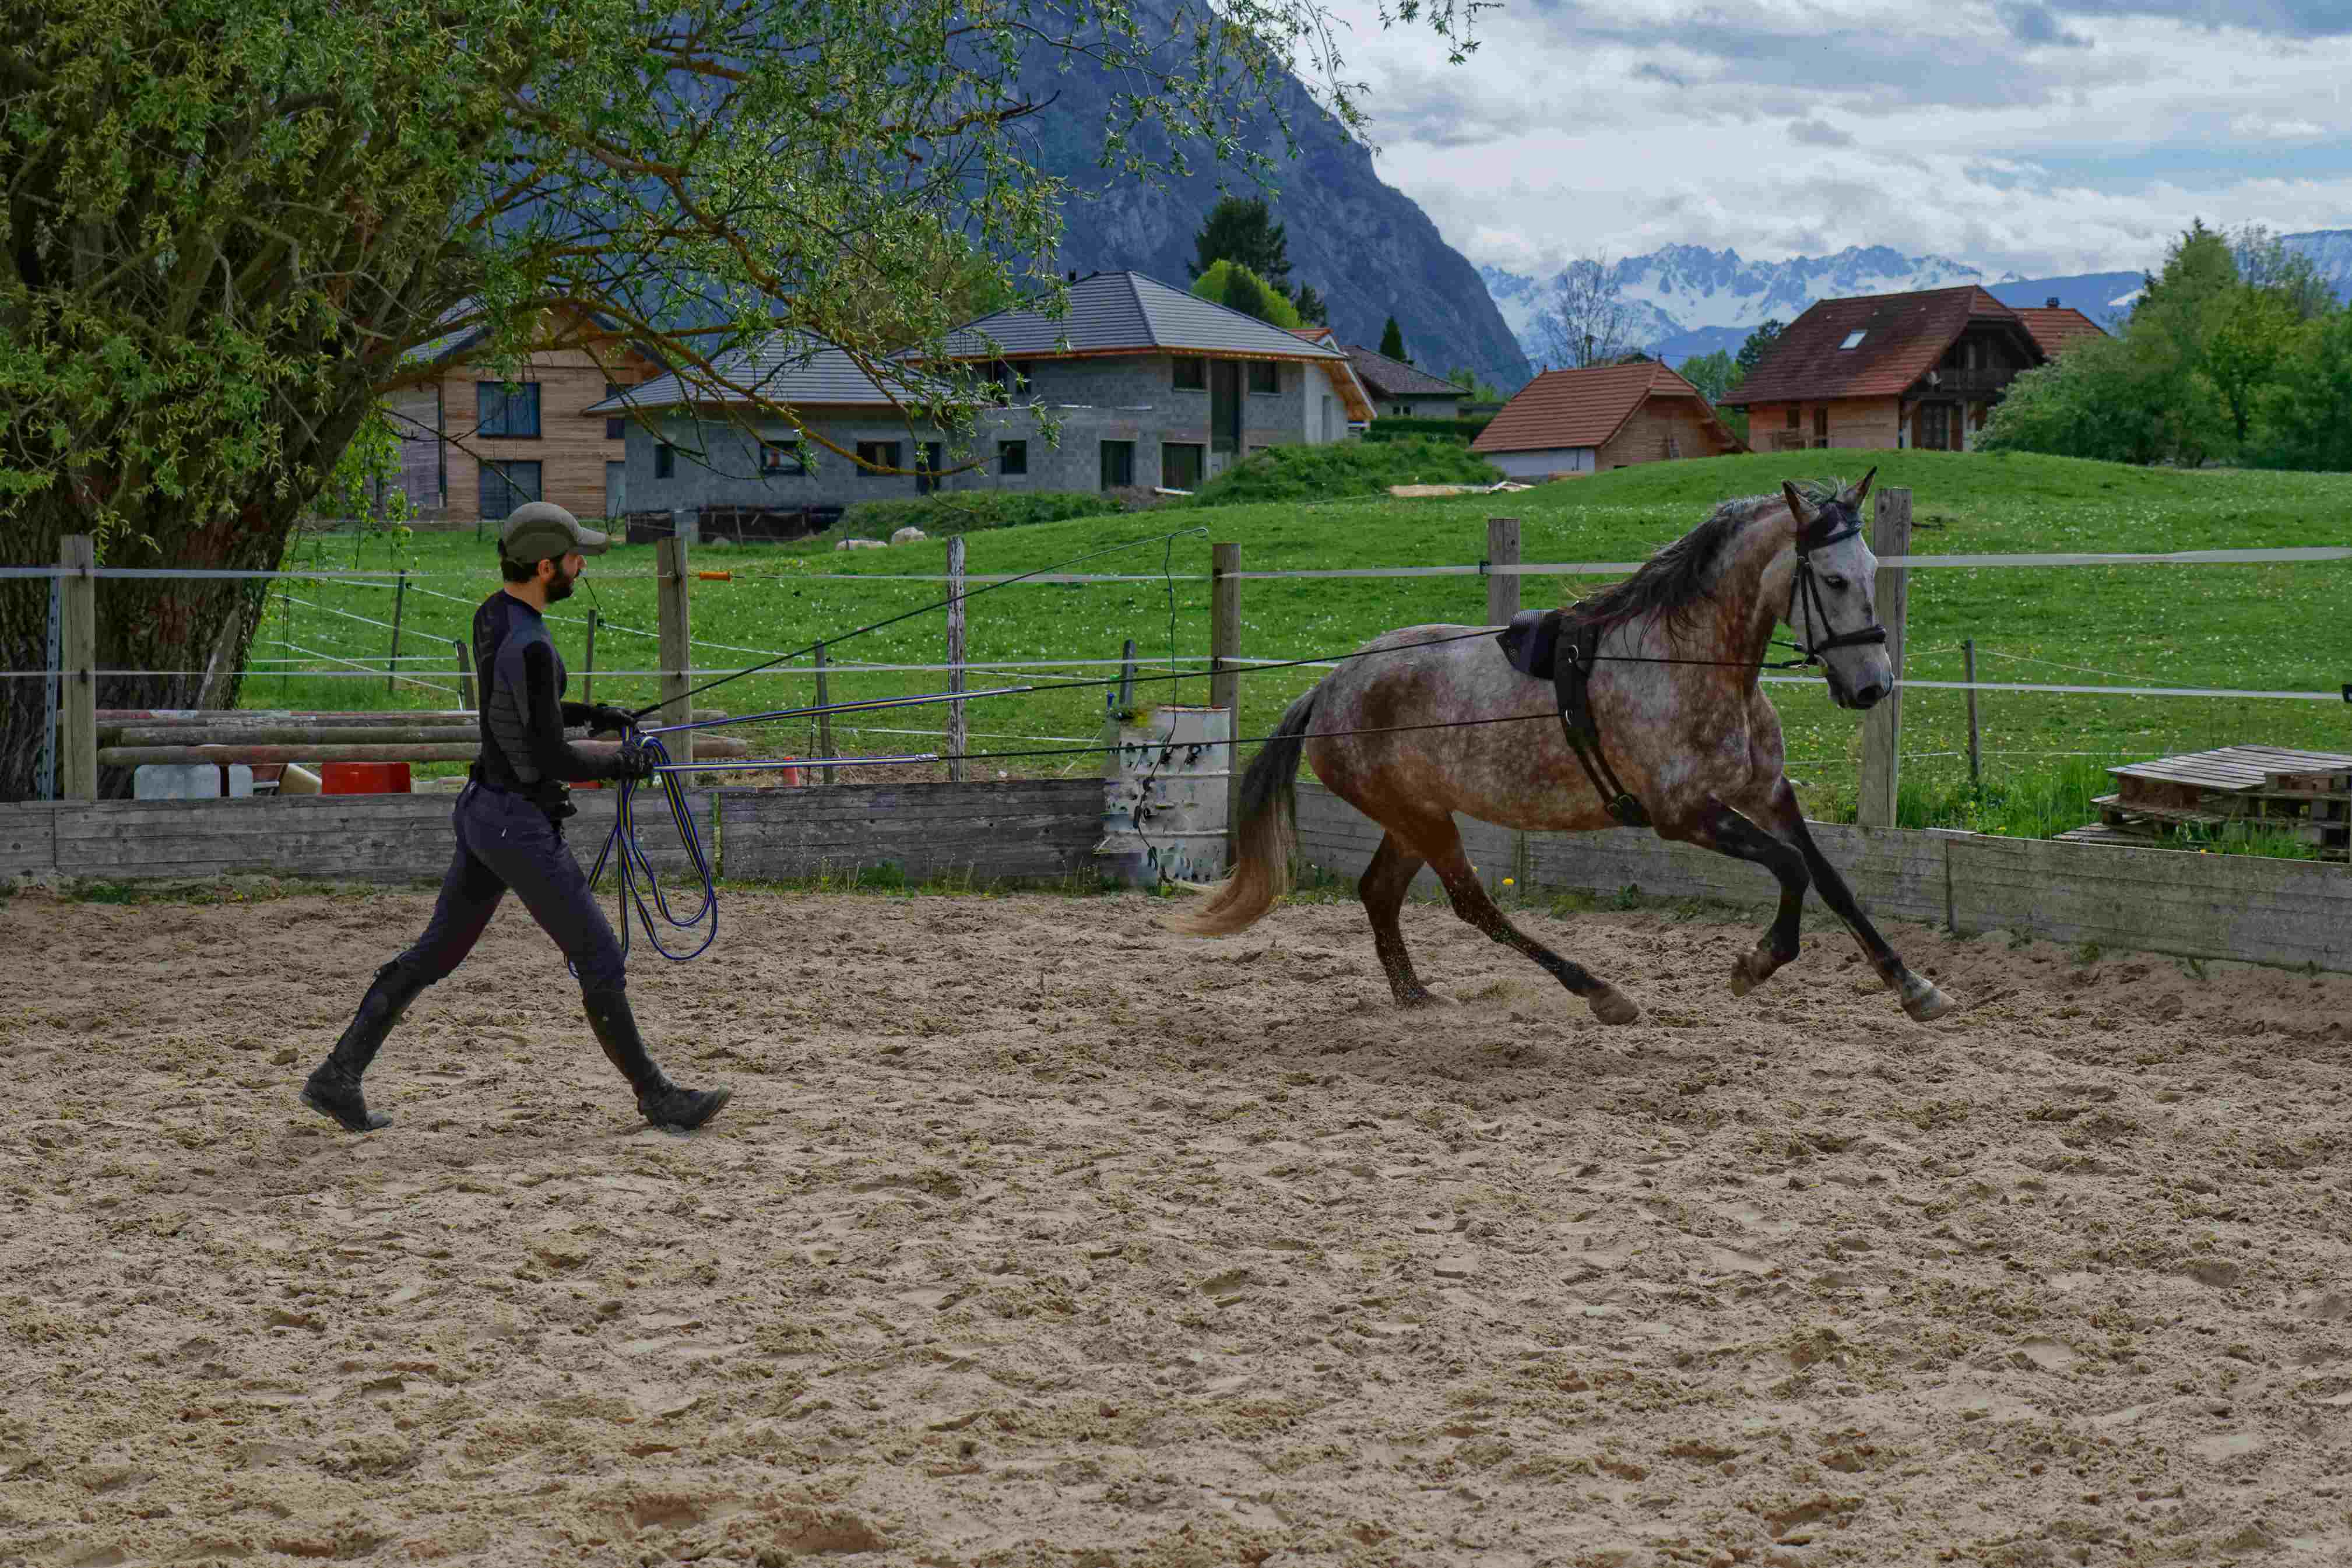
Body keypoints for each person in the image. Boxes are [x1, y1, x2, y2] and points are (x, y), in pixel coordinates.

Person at [300, 502, 732, 1134]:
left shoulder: (493, 616)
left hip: (482, 811)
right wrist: (622, 761)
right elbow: (550, 753)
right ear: (545, 565)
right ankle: (657, 1096)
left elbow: (526, 712)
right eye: (576, 558)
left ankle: (337, 1076)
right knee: (601, 956)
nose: (582, 566)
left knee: (435, 953)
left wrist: (591, 712)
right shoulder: (532, 642)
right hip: (517, 826)